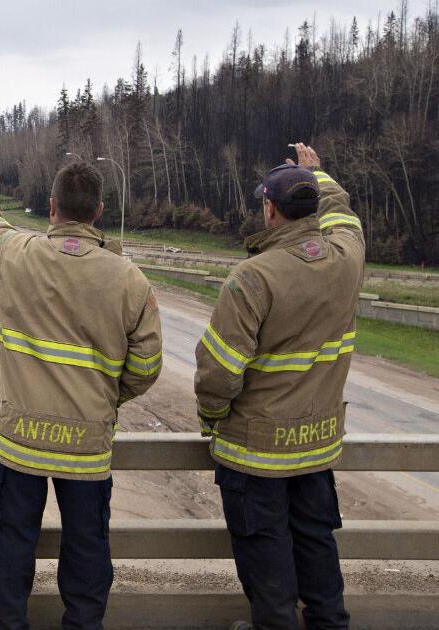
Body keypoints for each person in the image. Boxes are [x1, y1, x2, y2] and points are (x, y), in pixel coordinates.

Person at [0, 148, 163, 629]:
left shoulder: (17, 256)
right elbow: (147, 365)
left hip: (18, 440)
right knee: (88, 545)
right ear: (98, 213)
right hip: (86, 448)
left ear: (51, 208)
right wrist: (105, 399)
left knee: (9, 543)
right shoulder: (129, 279)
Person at [196, 143, 362, 630]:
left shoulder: (253, 277)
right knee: (318, 557)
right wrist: (319, 175)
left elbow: (219, 371)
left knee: (269, 581)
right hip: (316, 448)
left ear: (269, 209)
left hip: (256, 456)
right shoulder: (347, 258)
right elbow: (345, 218)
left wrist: (210, 419)